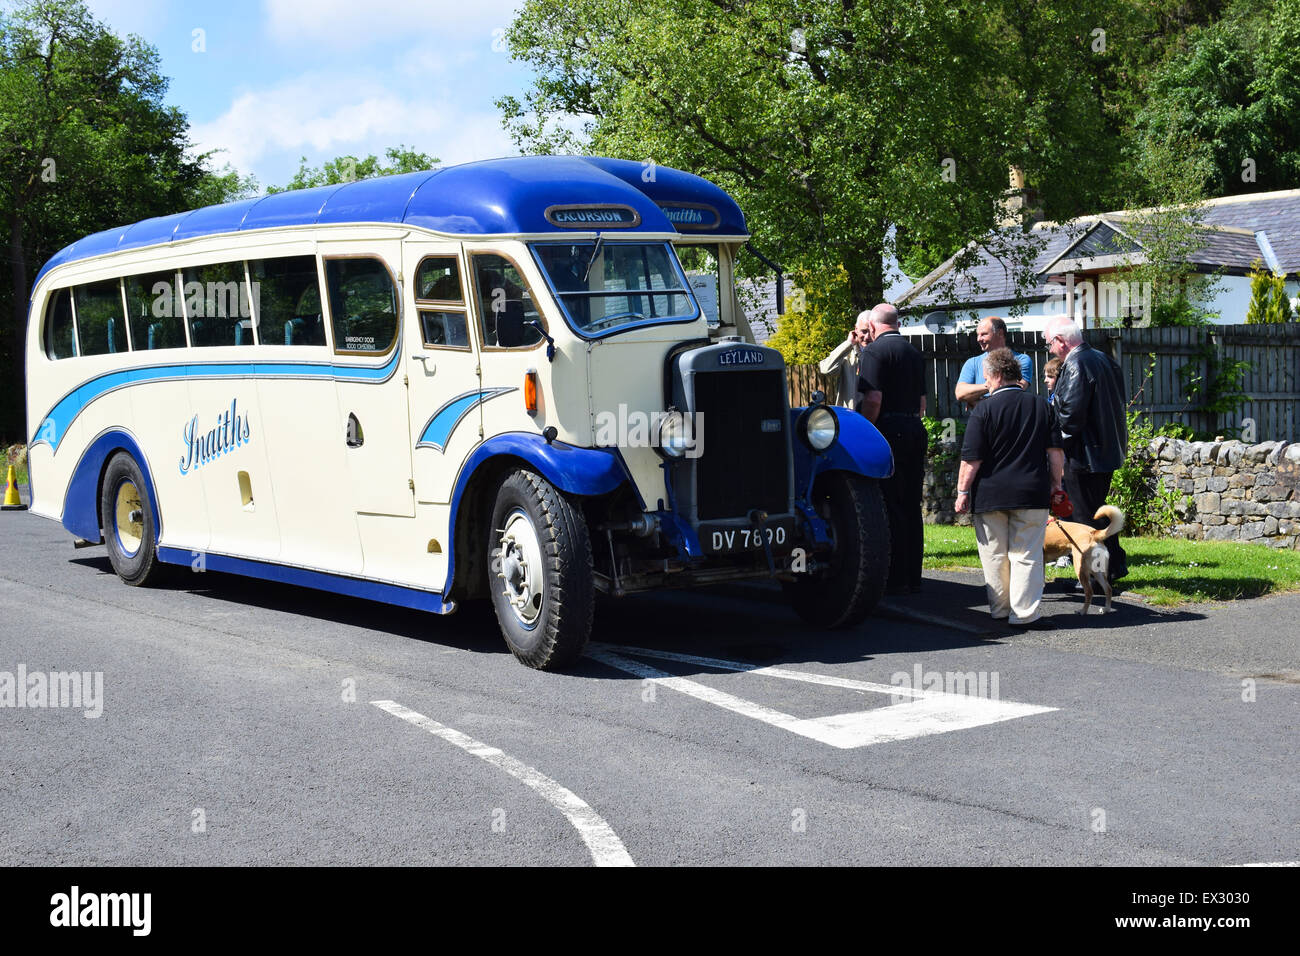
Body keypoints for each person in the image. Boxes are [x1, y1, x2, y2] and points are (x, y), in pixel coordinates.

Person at [955, 348, 1065, 629]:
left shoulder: (983, 410)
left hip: (990, 494)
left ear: (998, 375)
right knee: (1026, 554)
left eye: (987, 378)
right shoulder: (1042, 406)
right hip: (1031, 492)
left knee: (994, 554)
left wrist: (963, 492)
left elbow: (971, 459)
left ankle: (1000, 610)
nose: (985, 383)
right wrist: (1056, 485)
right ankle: (1024, 613)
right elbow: (1055, 452)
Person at [1043, 316, 1128, 583]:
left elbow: (1070, 416)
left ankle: (1100, 574)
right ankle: (1112, 569)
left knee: (1085, 522)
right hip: (1104, 451)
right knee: (1098, 516)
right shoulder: (1103, 359)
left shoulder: (1076, 363)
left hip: (1085, 455)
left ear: (1061, 341)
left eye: (1050, 344)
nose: (1050, 350)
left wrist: (1056, 449)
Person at [857, 303, 926, 594]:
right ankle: (914, 576)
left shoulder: (874, 352)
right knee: (912, 504)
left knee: (890, 502)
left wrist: (865, 431)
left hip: (888, 430)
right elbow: (922, 404)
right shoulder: (914, 352)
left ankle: (895, 577)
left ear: (872, 326)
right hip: (914, 429)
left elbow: (873, 398)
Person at [955, 317, 1034, 409]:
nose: (978, 339)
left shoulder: (1021, 360)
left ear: (1000, 333)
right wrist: (990, 386)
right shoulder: (972, 363)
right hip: (983, 422)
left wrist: (977, 402)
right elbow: (960, 393)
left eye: (984, 334)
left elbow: (1016, 390)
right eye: (978, 335)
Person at [818, 310, 872, 408]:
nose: (867, 336)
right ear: (856, 329)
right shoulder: (846, 354)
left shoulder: (880, 353)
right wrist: (848, 344)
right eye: (864, 331)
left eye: (870, 331)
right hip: (850, 415)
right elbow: (826, 369)